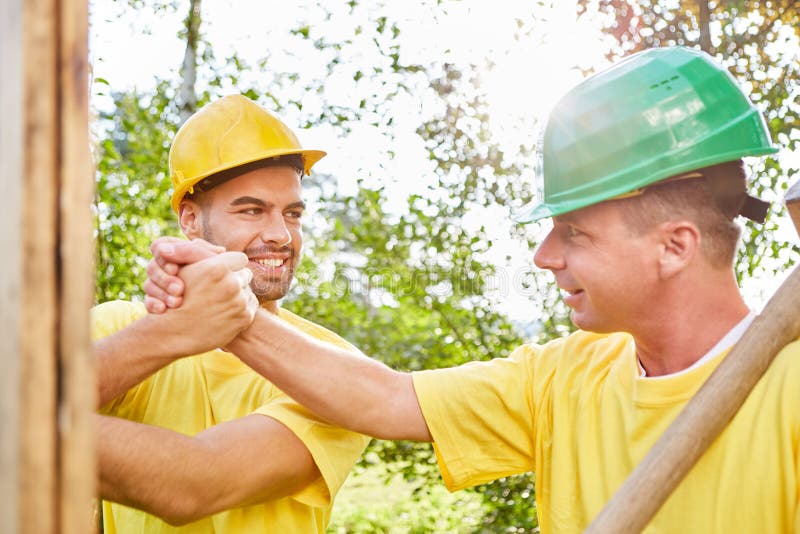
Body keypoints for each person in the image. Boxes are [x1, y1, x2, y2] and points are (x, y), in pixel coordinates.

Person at [146, 47, 800, 532]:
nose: (545, 257)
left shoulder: (789, 394)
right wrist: (229, 312)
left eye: (574, 233)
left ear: (675, 246)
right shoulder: (562, 379)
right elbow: (387, 398)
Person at [94, 94, 370, 533]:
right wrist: (171, 331)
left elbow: (193, 487)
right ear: (189, 219)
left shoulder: (336, 368)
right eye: (251, 210)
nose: (281, 235)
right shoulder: (119, 326)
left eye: (293, 214)